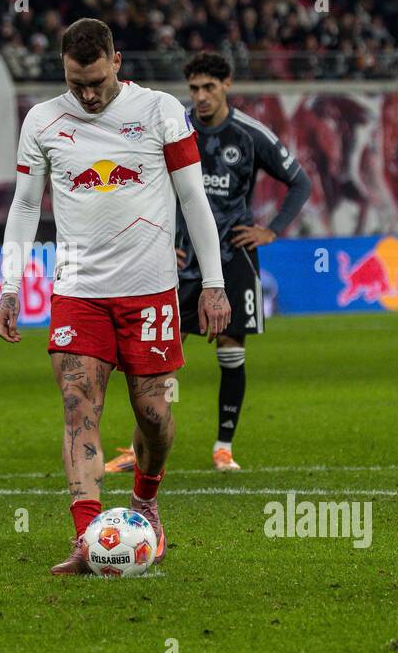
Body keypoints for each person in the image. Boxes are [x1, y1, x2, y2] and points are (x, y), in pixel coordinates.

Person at [0, 18, 230, 576]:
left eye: (97, 80)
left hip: (150, 292)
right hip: (79, 290)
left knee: (153, 414)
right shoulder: (44, 120)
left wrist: (214, 283)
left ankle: (146, 501)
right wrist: (11, 284)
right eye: (77, 83)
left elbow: (193, 199)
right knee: (78, 405)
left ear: (117, 62)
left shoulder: (160, 112)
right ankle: (88, 538)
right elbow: (27, 206)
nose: (89, 94)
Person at [107, 52, 311, 473]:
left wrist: (271, 230)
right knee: (161, 353)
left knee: (231, 350)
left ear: (226, 85)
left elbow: (300, 181)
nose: (200, 97)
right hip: (180, 258)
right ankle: (136, 446)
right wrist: (158, 238)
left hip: (233, 256)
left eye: (208, 88)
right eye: (194, 88)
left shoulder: (249, 134)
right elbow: (141, 185)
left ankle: (223, 447)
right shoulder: (174, 126)